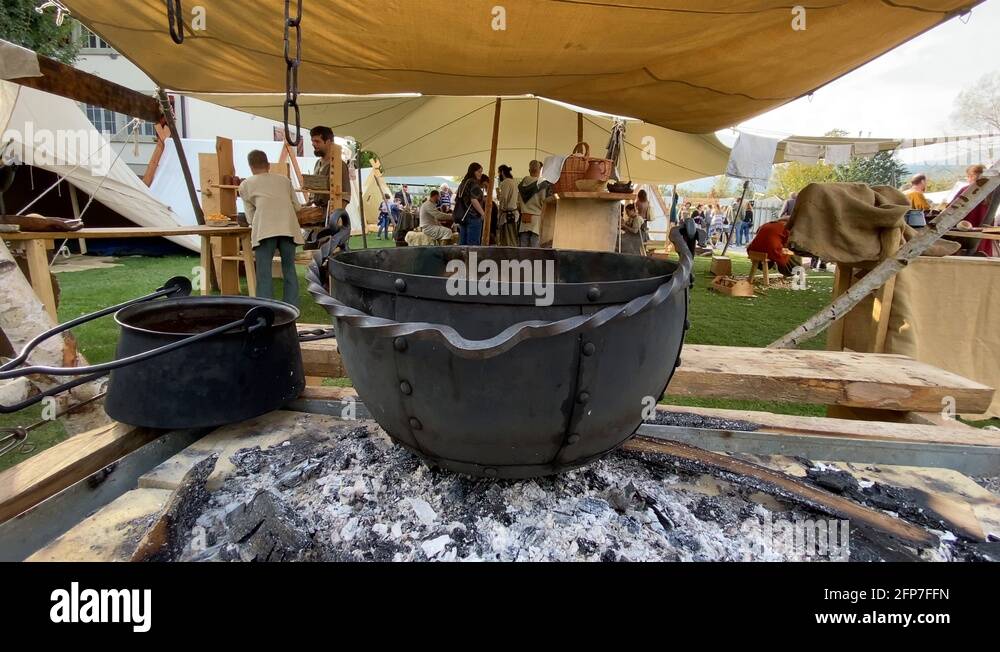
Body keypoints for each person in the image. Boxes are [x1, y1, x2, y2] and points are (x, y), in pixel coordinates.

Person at [238, 150, 303, 306]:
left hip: (264, 230)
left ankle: (266, 308)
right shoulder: (284, 180)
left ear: (250, 167)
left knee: (264, 272)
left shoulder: (246, 184)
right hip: (288, 228)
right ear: (268, 165)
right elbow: (297, 206)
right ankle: (292, 307)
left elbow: (250, 217)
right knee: (289, 269)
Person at [954, 164, 996, 257]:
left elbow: (952, 209)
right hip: (985, 231)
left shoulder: (966, 190)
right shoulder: (992, 192)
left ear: (972, 176)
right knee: (983, 255)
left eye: (968, 176)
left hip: (967, 230)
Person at [517, 160, 548, 247]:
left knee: (523, 248)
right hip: (536, 219)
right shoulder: (542, 184)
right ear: (539, 170)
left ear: (529, 170)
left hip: (524, 219)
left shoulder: (522, 184)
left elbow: (518, 202)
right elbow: (544, 201)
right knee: (534, 249)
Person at [454, 162, 486, 245]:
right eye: (479, 171)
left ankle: (463, 255)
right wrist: (483, 213)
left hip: (463, 216)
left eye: (481, 172)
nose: (480, 174)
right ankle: (471, 255)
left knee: (463, 244)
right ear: (473, 171)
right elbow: (474, 200)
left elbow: (457, 199)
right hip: (473, 216)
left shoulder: (463, 183)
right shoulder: (473, 182)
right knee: (473, 245)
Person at [495, 165, 520, 247]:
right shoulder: (514, 182)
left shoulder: (505, 182)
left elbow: (504, 198)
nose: (498, 175)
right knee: (513, 239)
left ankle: (508, 254)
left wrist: (500, 211)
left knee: (507, 240)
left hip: (507, 216)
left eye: (499, 172)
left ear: (502, 172)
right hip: (514, 214)